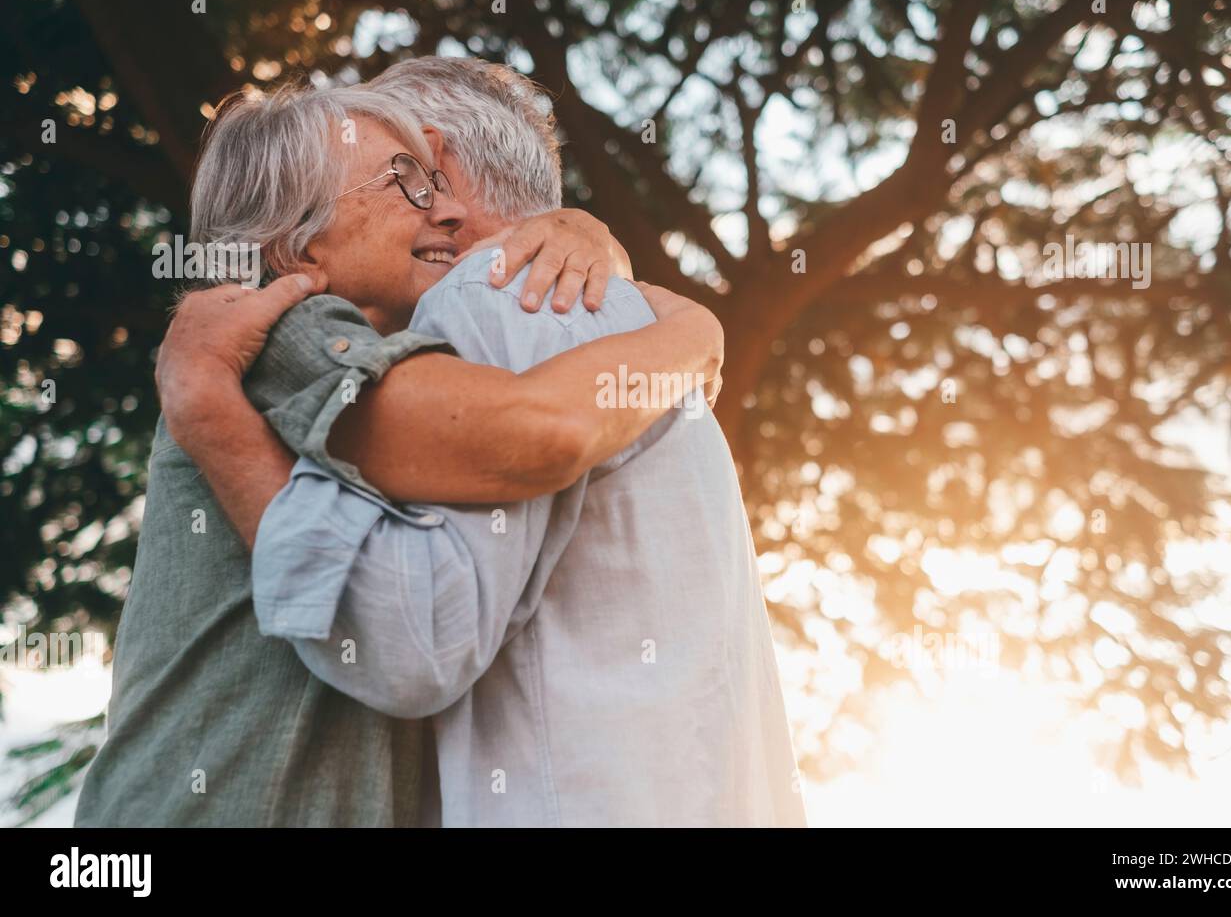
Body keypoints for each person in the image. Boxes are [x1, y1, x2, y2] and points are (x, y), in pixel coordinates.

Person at [155, 58, 806, 826]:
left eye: (413, 171)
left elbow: (411, 642)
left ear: (445, 170)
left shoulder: (499, 296)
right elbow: (531, 428)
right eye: (396, 177)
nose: (423, 205)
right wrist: (697, 329)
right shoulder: (625, 319)